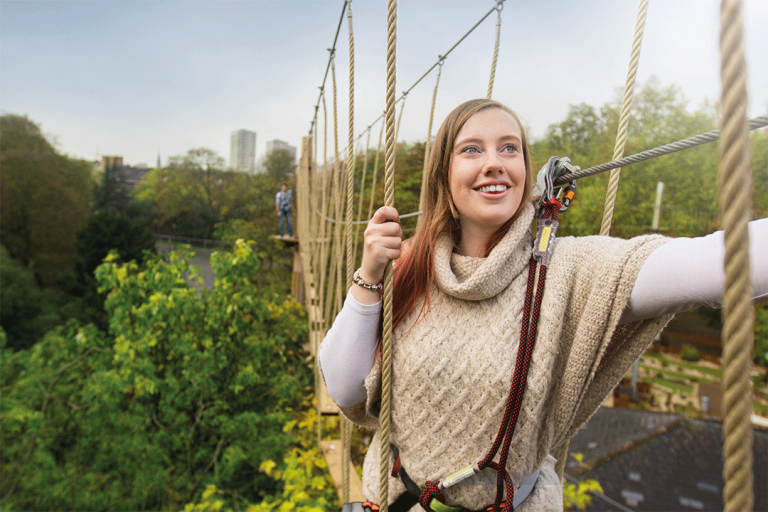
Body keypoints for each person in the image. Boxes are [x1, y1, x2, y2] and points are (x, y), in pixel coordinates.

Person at [318, 99, 767, 511]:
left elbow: (713, 265)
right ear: (443, 177)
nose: (494, 162)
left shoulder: (568, 272)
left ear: (526, 170)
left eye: (509, 148)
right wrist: (370, 272)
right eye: (471, 150)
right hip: (396, 498)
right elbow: (345, 389)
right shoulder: (409, 266)